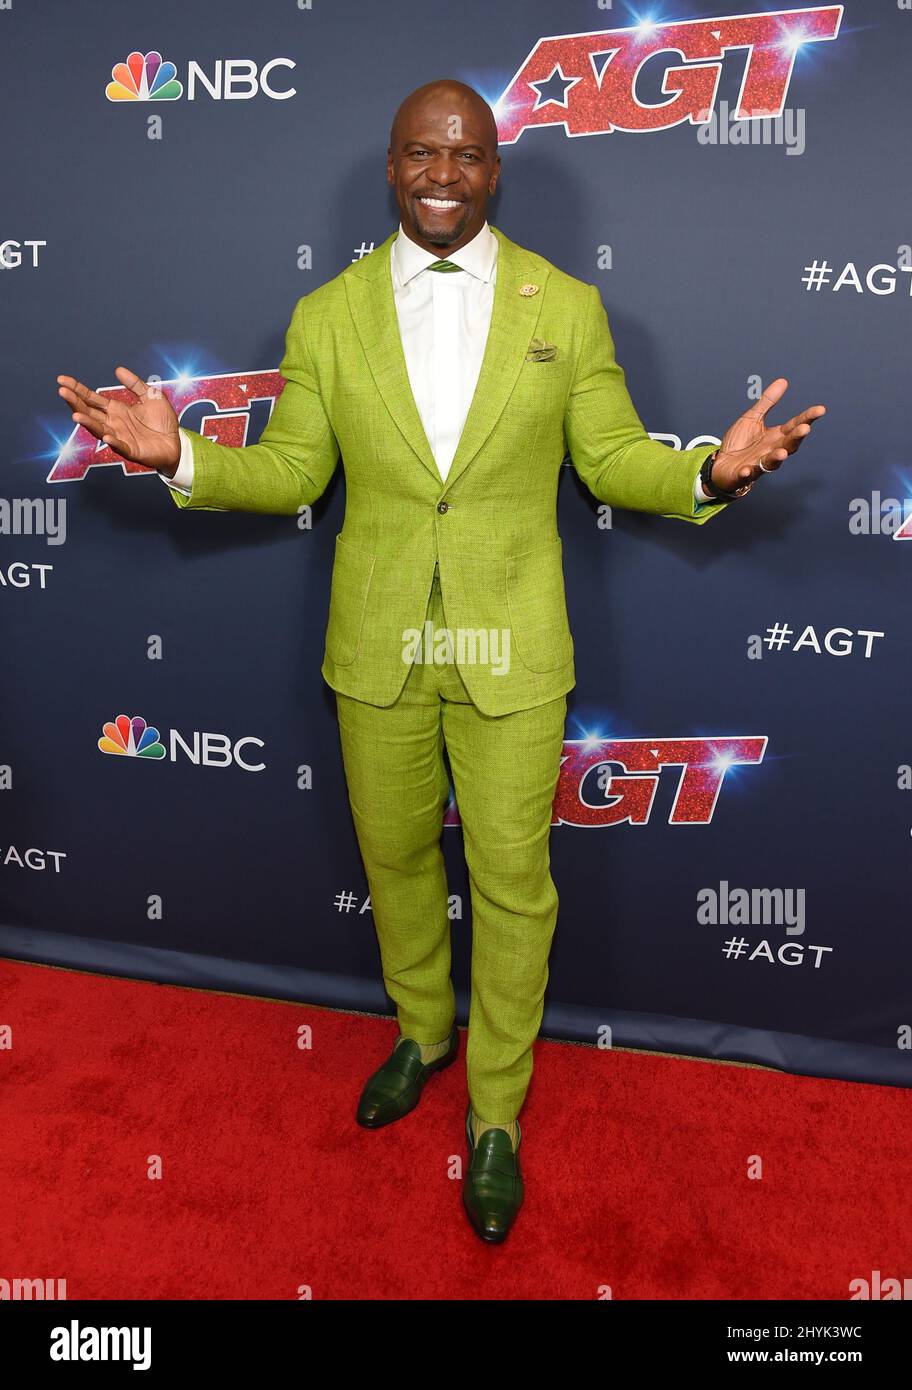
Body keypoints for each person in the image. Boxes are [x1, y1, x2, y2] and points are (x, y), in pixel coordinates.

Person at [57, 78, 825, 1246]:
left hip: (512, 646)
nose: (442, 175)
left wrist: (708, 477)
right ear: (390, 164)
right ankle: (421, 1029)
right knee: (396, 853)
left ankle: (497, 1113)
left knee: (517, 887)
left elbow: (615, 457)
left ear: (496, 170)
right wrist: (184, 461)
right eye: (422, 153)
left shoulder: (565, 304)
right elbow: (298, 472)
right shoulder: (327, 314)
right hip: (379, 649)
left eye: (466, 156)